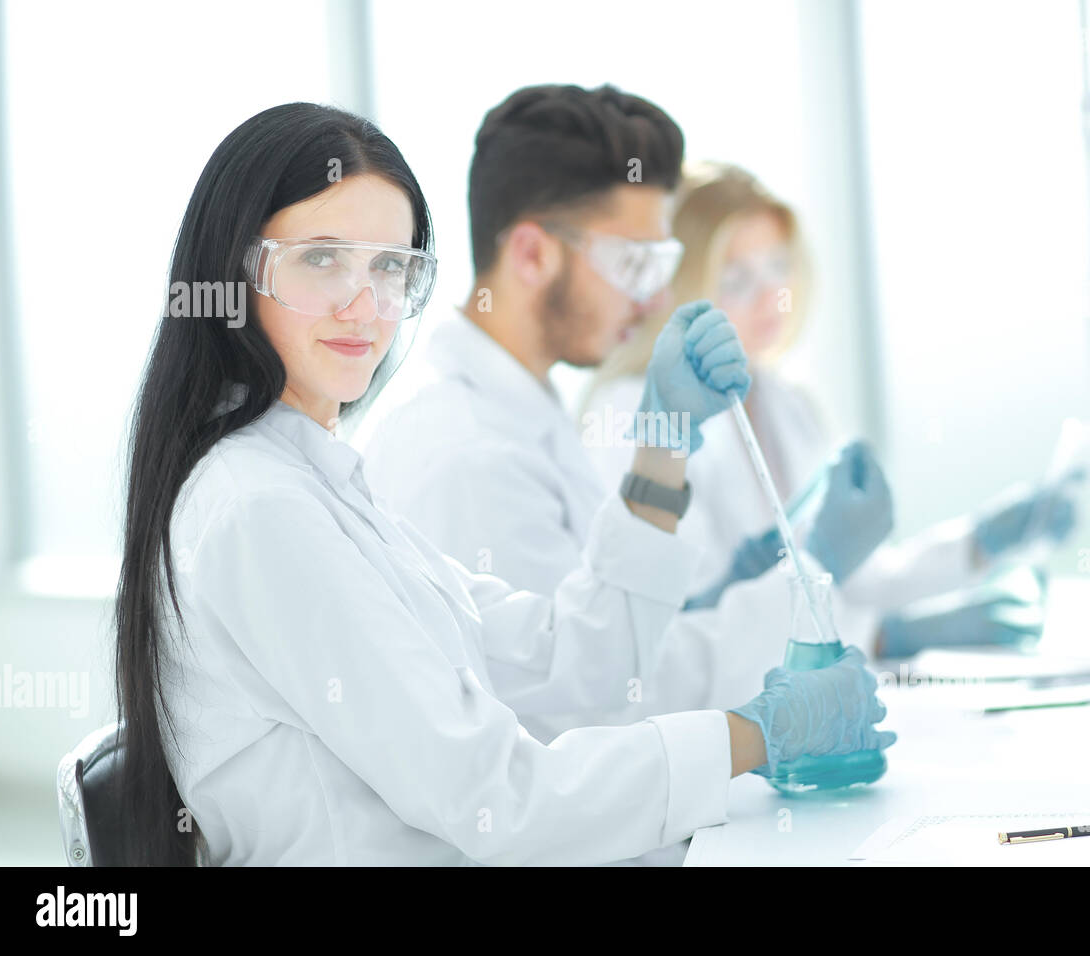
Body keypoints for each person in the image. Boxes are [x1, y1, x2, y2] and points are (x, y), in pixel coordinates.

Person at [112, 102, 893, 866]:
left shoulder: (322, 481)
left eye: (391, 267)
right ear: (236, 271)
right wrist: (759, 733)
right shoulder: (261, 507)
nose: (366, 306)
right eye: (322, 259)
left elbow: (574, 664)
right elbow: (502, 801)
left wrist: (661, 453)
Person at [361, 86, 892, 748]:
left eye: (661, 265)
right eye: (633, 263)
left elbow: (609, 644)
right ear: (532, 255)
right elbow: (598, 710)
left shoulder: (524, 414)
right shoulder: (467, 455)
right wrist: (810, 575)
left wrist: (718, 593)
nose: (657, 300)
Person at [584, 162, 1080, 658]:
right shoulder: (635, 411)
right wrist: (887, 637)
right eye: (736, 279)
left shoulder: (787, 401)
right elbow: (688, 626)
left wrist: (977, 543)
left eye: (778, 267)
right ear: (681, 288)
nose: (771, 297)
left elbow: (847, 577)